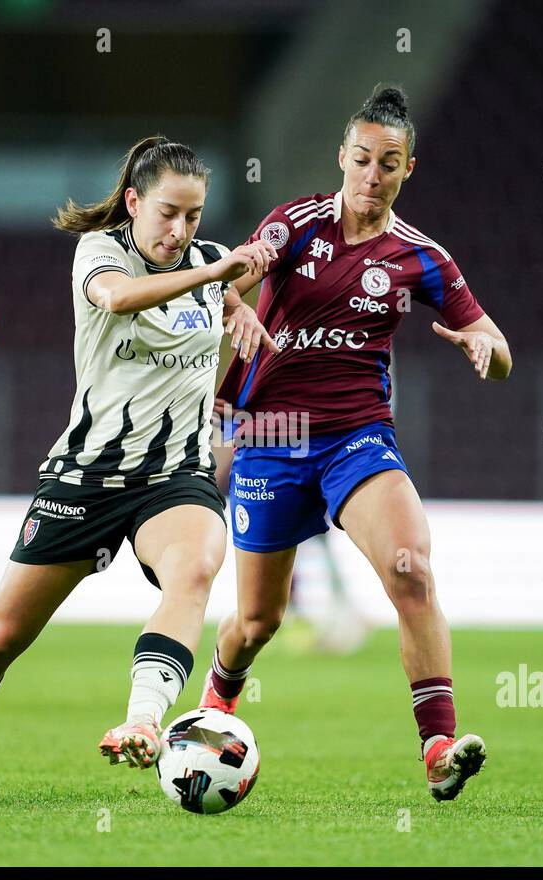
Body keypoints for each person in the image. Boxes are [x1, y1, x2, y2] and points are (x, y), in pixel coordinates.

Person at [0, 136, 278, 799]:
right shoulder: (101, 254)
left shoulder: (213, 266)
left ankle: (142, 722)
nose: (180, 229)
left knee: (194, 569)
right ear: (134, 201)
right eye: (168, 212)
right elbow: (118, 300)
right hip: (84, 478)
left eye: (193, 216)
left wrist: (237, 305)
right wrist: (221, 284)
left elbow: (231, 292)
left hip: (175, 477)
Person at [200, 85, 512, 802]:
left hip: (357, 440)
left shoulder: (421, 257)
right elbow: (244, 262)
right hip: (269, 441)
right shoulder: (297, 224)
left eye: (390, 164)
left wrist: (484, 351)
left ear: (409, 171)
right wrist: (233, 297)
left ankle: (437, 747)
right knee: (256, 622)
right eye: (363, 159)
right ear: (342, 156)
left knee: (412, 570)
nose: (373, 175)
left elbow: (498, 348)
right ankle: (216, 707)